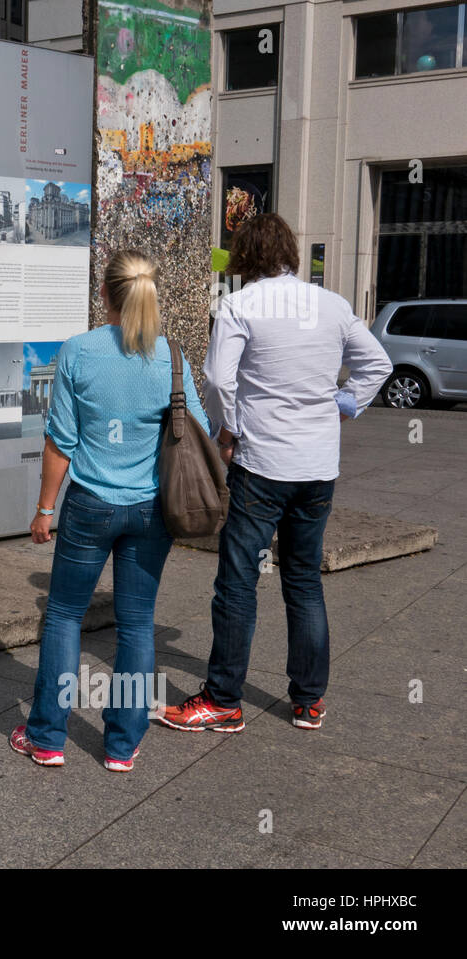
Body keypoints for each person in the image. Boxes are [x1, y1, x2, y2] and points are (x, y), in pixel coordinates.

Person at [160, 213, 393, 733]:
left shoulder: (240, 305)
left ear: (246, 255)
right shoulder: (332, 304)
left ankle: (223, 699)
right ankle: (308, 700)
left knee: (238, 582)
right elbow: (378, 364)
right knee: (304, 580)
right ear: (288, 252)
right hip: (318, 467)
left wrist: (229, 429)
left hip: (262, 464)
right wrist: (344, 403)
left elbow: (219, 378)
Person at [10, 250, 210, 772]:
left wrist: (44, 510)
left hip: (90, 507)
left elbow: (60, 444)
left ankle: (48, 738)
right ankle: (122, 746)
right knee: (138, 624)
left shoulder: (77, 352)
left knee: (63, 615)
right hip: (150, 510)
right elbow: (201, 432)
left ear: (104, 294)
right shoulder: (170, 357)